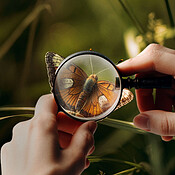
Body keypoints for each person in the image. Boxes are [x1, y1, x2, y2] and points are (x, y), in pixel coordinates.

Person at [1, 43, 175, 175]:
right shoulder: (104, 87)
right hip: (85, 106)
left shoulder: (78, 75)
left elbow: (124, 96)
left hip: (72, 98)